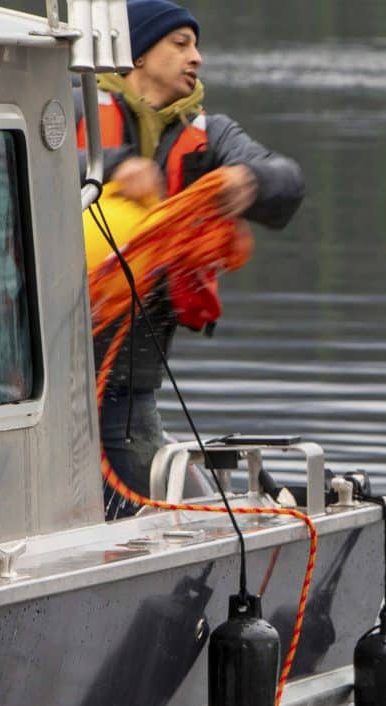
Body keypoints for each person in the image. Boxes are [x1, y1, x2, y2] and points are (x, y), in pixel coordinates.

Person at [82, 0, 307, 517]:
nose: (197, 58)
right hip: (33, 387)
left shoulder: (212, 137)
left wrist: (250, 181)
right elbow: (9, 158)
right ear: (137, 56)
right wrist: (113, 168)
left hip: (127, 396)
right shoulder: (70, 109)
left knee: (180, 507)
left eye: (197, 45)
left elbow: (287, 181)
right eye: (180, 44)